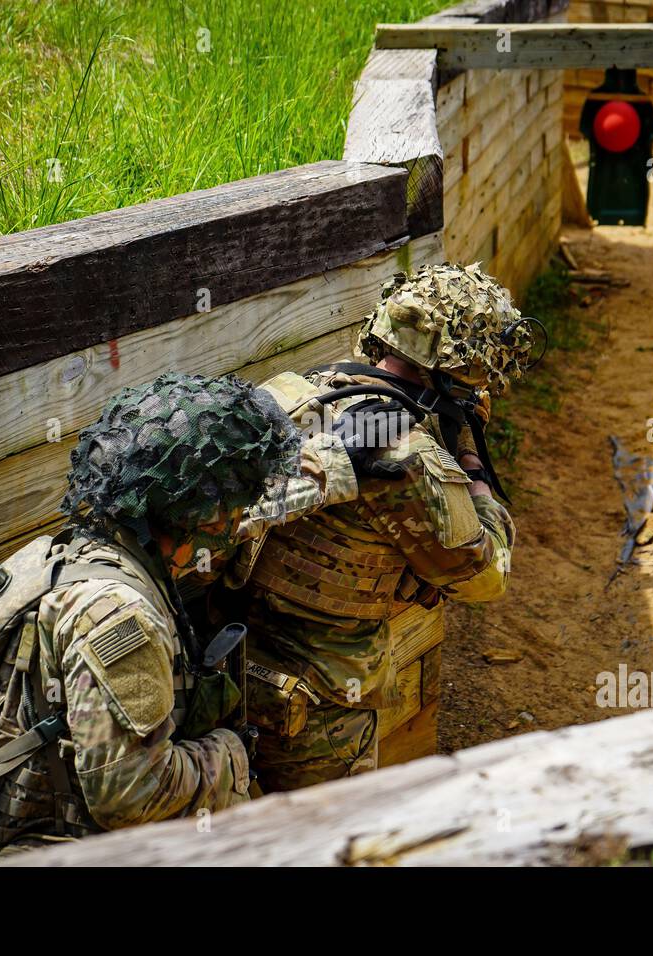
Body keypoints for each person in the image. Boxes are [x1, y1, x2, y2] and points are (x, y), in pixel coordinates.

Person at [0, 373, 359, 861]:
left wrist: (331, 470)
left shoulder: (73, 551)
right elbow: (131, 797)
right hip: (46, 846)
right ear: (198, 519)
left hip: (0, 817)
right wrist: (229, 756)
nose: (231, 530)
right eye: (229, 513)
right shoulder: (121, 619)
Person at [229, 263, 535, 791]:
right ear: (457, 369)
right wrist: (474, 468)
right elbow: (487, 577)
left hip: (226, 670)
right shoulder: (408, 459)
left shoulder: (297, 392)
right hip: (318, 708)